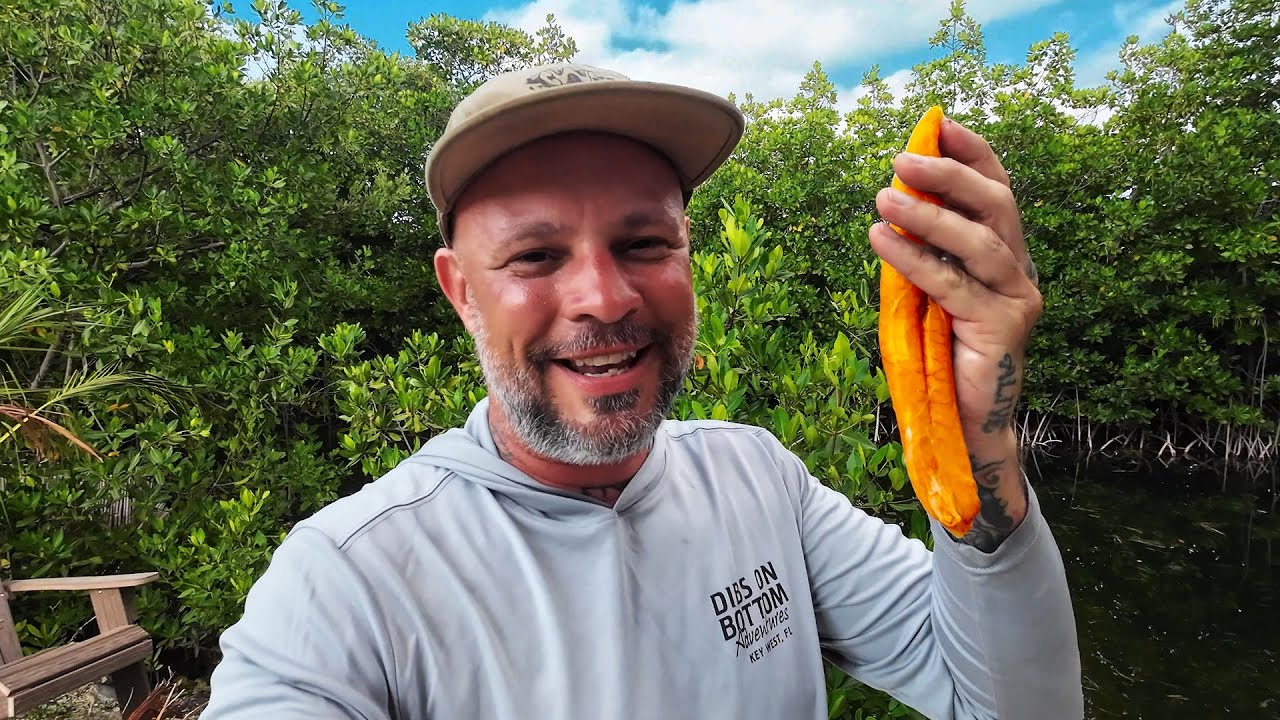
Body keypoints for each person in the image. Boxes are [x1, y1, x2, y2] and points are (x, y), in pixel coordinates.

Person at [200, 63, 1082, 720]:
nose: (606, 297)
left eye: (645, 244)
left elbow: (1010, 706)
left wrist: (971, 444)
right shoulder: (344, 581)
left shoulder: (757, 478)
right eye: (536, 256)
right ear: (460, 290)